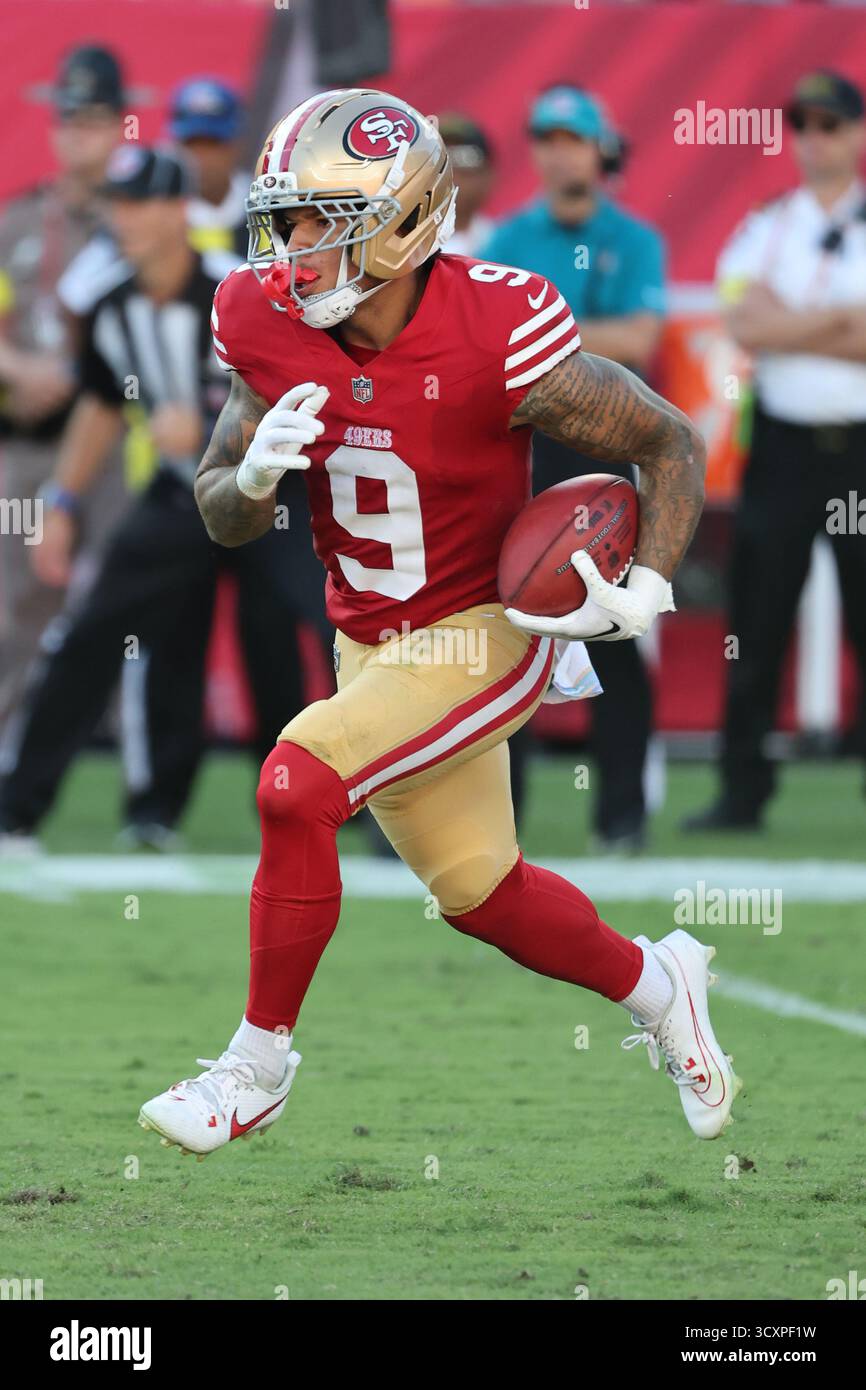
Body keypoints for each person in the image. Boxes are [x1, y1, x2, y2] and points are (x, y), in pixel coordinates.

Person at [136, 88, 739, 1158]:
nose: (297, 248)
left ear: (405, 220)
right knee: (478, 890)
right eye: (288, 219)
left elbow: (666, 444)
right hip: (368, 630)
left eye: (326, 219)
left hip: (483, 629)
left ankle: (255, 1067)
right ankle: (662, 985)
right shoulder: (260, 315)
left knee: (294, 780)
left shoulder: (499, 326)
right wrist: (255, 476)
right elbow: (220, 503)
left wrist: (646, 582)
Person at [0, 148, 327, 849]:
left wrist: (219, 428)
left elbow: (297, 385)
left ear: (178, 209)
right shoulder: (113, 304)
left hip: (273, 498)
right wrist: (62, 501)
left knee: (306, 635)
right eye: (117, 202)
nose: (124, 216)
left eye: (138, 202)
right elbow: (99, 403)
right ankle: (30, 807)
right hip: (183, 497)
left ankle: (341, 809)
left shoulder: (235, 293)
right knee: (101, 632)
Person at [478, 85, 667, 850]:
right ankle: (501, 816)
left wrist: (546, 335)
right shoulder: (509, 238)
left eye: (572, 138)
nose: (559, 151)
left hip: (605, 455)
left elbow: (641, 337)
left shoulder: (635, 238)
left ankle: (621, 815)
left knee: (614, 630)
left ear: (600, 149)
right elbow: (488, 348)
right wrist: (580, 341)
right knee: (513, 627)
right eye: (546, 138)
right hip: (524, 454)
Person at [684, 72, 866, 832]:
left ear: (857, 134)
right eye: (805, 126)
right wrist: (835, 326)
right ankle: (741, 789)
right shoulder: (768, 222)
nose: (815, 140)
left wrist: (794, 323)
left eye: (830, 125)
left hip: (857, 450)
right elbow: (744, 322)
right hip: (785, 447)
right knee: (755, 622)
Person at [0, 45, 127, 737]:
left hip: (113, 438)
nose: (78, 131)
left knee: (120, 599)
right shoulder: (18, 221)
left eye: (95, 119)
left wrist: (78, 376)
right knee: (12, 603)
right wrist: (22, 370)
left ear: (119, 127)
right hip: (27, 443)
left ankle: (114, 761)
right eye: (68, 118)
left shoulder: (140, 216)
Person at [436, 113, 495, 256]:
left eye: (465, 165)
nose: (453, 178)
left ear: (488, 175)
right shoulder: (405, 247)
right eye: (442, 166)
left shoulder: (500, 243)